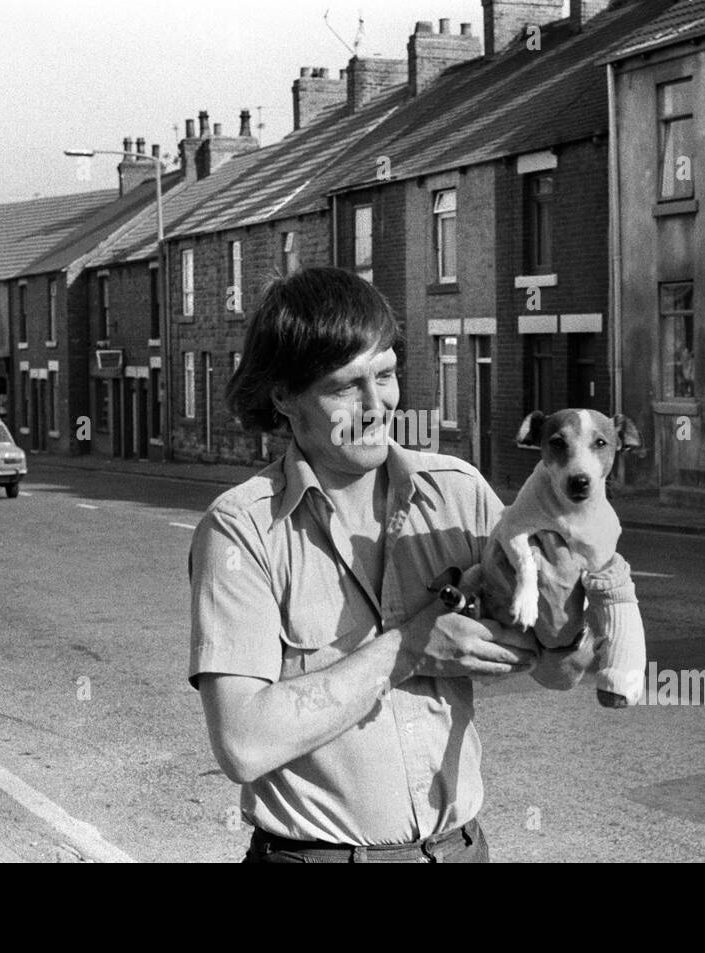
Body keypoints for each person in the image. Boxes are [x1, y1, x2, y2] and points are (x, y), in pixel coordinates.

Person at [187, 266, 640, 863]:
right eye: (345, 386)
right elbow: (242, 743)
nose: (376, 407)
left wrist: (582, 613)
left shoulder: (459, 493)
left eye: (386, 374)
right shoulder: (241, 529)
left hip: (457, 850)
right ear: (283, 396)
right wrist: (411, 647)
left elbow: (556, 674)